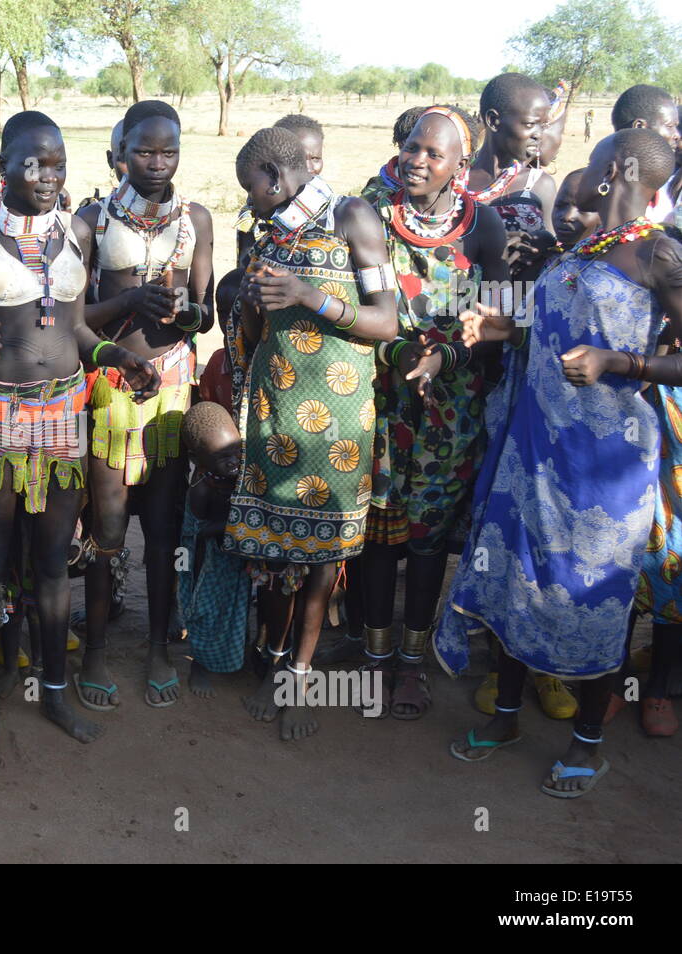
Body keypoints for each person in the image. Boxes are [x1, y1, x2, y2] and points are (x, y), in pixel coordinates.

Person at [439, 129, 682, 797]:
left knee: (595, 596)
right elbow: (556, 331)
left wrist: (622, 364)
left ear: (617, 171)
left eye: (601, 156)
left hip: (605, 464)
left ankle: (587, 744)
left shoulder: (660, 255)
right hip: (535, 450)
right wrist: (502, 330)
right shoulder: (586, 246)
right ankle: (508, 719)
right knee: (521, 580)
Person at [0, 110, 160, 765]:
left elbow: (75, 332)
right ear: (3, 167)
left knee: (51, 563)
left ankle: (55, 692)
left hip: (63, 416)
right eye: (33, 163)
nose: (47, 175)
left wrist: (120, 360)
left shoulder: (77, 232)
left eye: (58, 163)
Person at [226, 127, 398, 741]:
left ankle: (300, 677)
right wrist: (250, 301)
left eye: (254, 189)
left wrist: (310, 295)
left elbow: (386, 322)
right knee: (274, 550)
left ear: (275, 174)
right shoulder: (271, 233)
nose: (251, 202)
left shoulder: (352, 217)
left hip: (341, 421)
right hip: (275, 409)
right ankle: (274, 661)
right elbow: (250, 328)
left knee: (323, 556)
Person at [357, 107, 509, 719]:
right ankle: (372, 655)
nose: (418, 160)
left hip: (451, 407)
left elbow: (500, 318)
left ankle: (412, 663)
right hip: (381, 393)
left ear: (459, 166)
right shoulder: (371, 212)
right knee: (375, 529)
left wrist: (448, 353)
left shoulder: (484, 226)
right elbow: (358, 301)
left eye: (434, 154)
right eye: (413, 147)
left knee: (425, 536)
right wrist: (401, 354)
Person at [75, 100, 214, 709]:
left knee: (161, 528)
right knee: (107, 526)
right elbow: (73, 316)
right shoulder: (91, 222)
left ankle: (158, 647)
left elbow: (206, 315)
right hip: (110, 388)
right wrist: (131, 301)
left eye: (169, 151)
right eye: (144, 151)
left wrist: (185, 311)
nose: (157, 163)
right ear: (121, 152)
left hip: (172, 390)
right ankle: (97, 652)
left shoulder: (197, 220)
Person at [178, 402, 250, 698]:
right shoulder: (203, 488)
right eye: (223, 457)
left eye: (237, 451)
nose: (234, 462)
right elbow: (198, 531)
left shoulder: (233, 477)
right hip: (205, 563)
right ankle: (200, 664)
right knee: (206, 612)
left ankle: (232, 657)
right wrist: (236, 523)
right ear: (198, 459)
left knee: (234, 609)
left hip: (229, 558)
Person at [468, 73, 557, 282]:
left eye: (542, 126)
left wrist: (542, 243)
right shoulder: (452, 179)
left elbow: (554, 250)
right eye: (529, 124)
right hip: (455, 302)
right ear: (493, 121)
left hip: (518, 307)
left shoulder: (538, 184)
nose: (539, 135)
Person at [610, 85, 681, 225]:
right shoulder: (608, 186)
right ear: (639, 127)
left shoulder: (657, 185)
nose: (677, 136)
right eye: (669, 126)